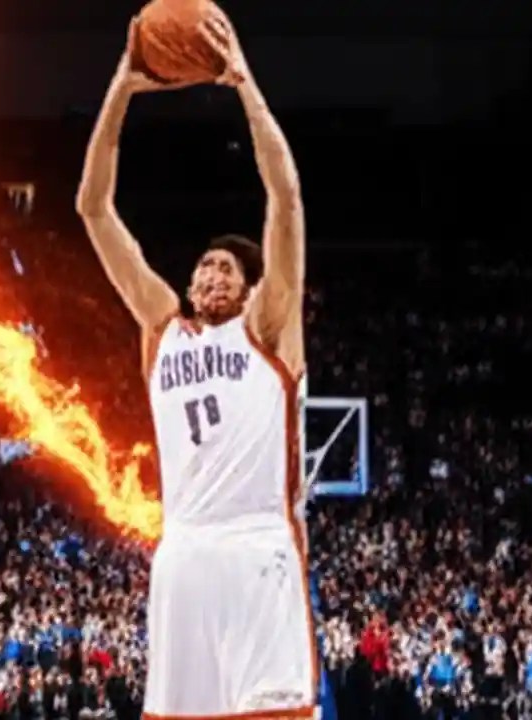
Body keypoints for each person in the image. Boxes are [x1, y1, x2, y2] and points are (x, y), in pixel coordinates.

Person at [76, 12, 313, 719]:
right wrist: (123, 86)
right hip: (181, 552)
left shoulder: (266, 328)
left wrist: (245, 86)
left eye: (227, 268)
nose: (212, 273)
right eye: (205, 264)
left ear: (250, 288)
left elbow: (286, 199)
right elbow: (93, 209)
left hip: (257, 544)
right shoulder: (163, 330)